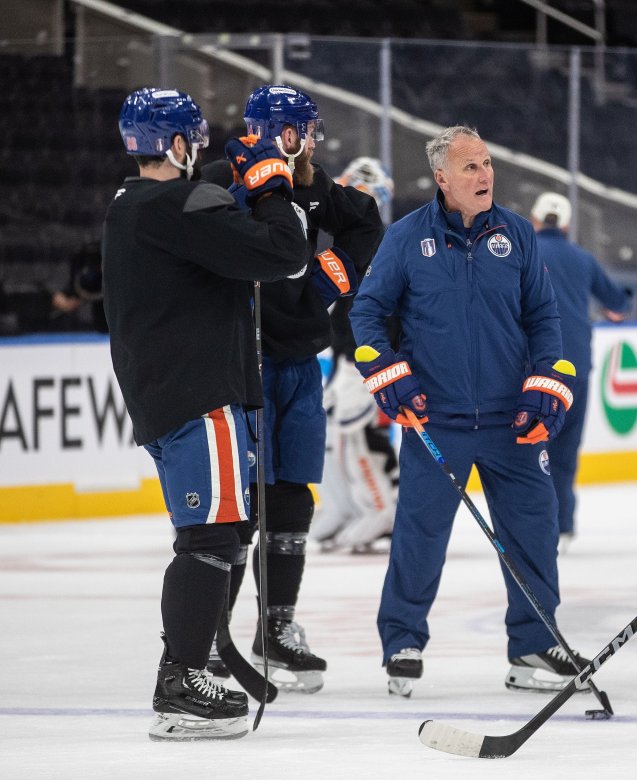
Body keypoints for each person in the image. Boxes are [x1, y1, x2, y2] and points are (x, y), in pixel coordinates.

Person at [350, 125, 586, 697]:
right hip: (437, 421)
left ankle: (533, 643)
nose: (485, 176)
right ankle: (402, 640)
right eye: (471, 168)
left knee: (534, 530)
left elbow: (543, 319)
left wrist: (546, 381)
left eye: (486, 164)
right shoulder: (406, 238)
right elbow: (366, 315)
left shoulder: (518, 234)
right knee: (419, 535)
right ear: (441, 179)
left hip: (514, 423)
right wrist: (388, 374)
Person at [102, 87, 308, 739]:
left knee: (219, 533)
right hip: (200, 393)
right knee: (212, 538)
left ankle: (190, 668)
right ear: (181, 144)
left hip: (168, 391)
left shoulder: (130, 202)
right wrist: (272, 184)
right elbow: (285, 254)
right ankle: (180, 679)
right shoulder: (179, 200)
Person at [200, 85, 384, 693]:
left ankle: (275, 628)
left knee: (292, 498)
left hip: (300, 364)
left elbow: (366, 223)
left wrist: (333, 279)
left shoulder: (313, 184)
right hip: (239, 365)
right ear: (281, 131)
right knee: (238, 504)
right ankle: (209, 636)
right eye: (304, 130)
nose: (312, 140)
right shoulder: (223, 177)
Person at [530, 191, 632, 552]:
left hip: (532, 368)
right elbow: (618, 306)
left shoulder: (521, 252)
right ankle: (564, 525)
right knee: (565, 449)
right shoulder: (583, 259)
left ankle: (532, 524)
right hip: (575, 366)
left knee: (530, 446)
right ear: (569, 223)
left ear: (536, 219)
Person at [311, 157, 400, 553]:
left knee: (356, 436)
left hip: (368, 360)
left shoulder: (385, 244)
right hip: (350, 358)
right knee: (335, 437)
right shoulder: (355, 241)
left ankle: (381, 509)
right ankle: (346, 508)